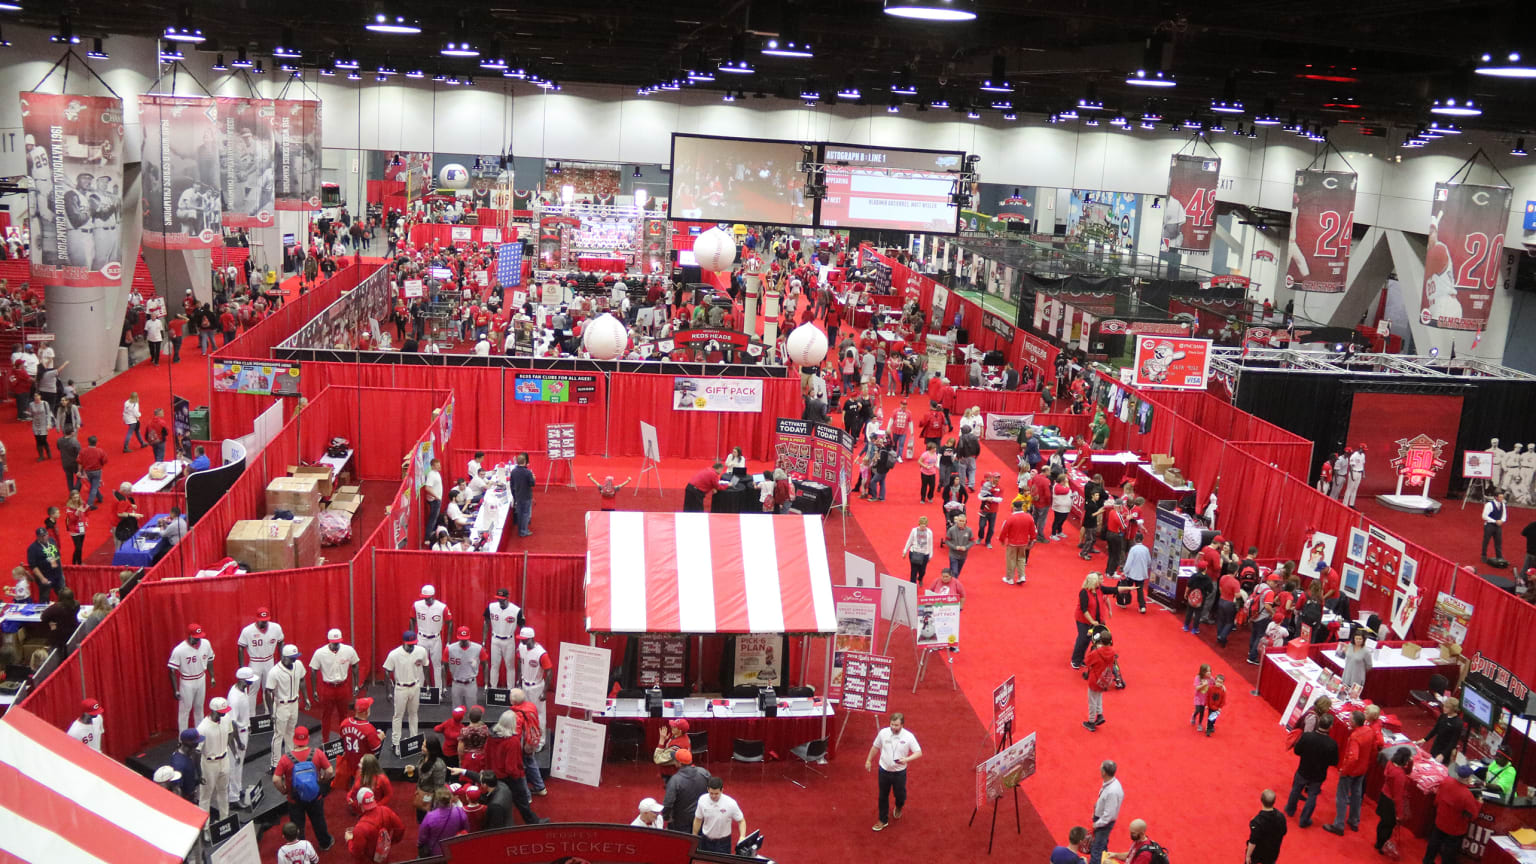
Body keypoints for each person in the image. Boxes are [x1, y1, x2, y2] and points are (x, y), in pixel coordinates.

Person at [274, 726, 335, 851]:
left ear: (294, 739)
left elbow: (276, 779)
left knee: (297, 826)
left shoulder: (286, 759)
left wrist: (284, 790)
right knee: (319, 821)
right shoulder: (317, 753)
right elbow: (330, 771)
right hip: (315, 796)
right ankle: (325, 843)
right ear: (308, 738)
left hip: (294, 798)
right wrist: (322, 781)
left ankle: (300, 849)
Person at [866, 712, 922, 832]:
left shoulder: (909, 736)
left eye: (896, 725)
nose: (894, 727)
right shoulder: (883, 733)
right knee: (882, 796)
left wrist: (906, 759)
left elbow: (919, 752)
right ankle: (882, 820)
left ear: (902, 725)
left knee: (900, 795)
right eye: (892, 724)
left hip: (899, 773)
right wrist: (869, 760)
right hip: (883, 770)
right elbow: (875, 747)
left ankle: (899, 806)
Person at [1284, 711, 1338, 827]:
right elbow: (1334, 762)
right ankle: (1304, 820)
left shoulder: (1307, 736)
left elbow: (1297, 750)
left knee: (1296, 790)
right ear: (1331, 727)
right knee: (1312, 796)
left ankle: (1290, 810)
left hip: (1303, 769)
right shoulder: (1332, 744)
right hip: (1318, 774)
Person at [310, 628, 362, 744]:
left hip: (342, 686)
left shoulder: (348, 650)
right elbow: (313, 670)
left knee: (344, 714)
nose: (336, 645)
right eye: (334, 643)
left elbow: (355, 665)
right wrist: (314, 690)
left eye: (338, 642)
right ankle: (325, 741)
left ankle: (344, 739)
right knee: (326, 715)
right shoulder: (320, 653)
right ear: (329, 641)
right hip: (327, 687)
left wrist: (356, 684)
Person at [1425, 765, 1482, 864]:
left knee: (1434, 842)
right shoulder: (1467, 795)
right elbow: (1473, 815)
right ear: (1468, 778)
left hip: (1440, 820)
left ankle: (1427, 860)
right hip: (1455, 829)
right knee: (1449, 852)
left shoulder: (1446, 781)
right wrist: (1479, 803)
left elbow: (1438, 798)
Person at [383, 630, 428, 754]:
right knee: (398, 715)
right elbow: (387, 671)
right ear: (404, 642)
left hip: (415, 685)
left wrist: (428, 684)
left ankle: (414, 739)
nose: (412, 646)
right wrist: (388, 691)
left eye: (413, 643)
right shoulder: (394, 654)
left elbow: (425, 665)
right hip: (401, 687)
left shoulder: (421, 651)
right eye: (409, 644)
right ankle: (396, 743)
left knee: (414, 713)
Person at [168, 623, 215, 734]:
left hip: (201, 678)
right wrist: (175, 689)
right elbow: (171, 670)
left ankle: (199, 734)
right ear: (189, 636)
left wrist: (212, 676)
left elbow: (210, 659)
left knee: (199, 708)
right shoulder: (179, 650)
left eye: (199, 637)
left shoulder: (206, 643)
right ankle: (182, 739)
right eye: (195, 638)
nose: (198, 640)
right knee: (184, 711)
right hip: (187, 681)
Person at [266, 645, 307, 768]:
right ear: (284, 657)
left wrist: (306, 698)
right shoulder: (274, 671)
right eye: (292, 658)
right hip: (281, 705)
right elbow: (268, 691)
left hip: (294, 703)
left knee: (291, 732)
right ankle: (275, 764)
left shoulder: (298, 665)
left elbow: (302, 680)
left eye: (295, 657)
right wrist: (270, 712)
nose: (294, 660)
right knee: (279, 734)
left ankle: (291, 759)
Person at [237, 608, 284, 712]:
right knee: (253, 690)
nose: (264, 622)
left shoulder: (275, 627)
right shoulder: (248, 630)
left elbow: (281, 642)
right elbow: (241, 647)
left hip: (269, 661)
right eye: (262, 620)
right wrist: (242, 668)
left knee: (269, 688)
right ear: (257, 619)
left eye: (266, 620)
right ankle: (251, 717)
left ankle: (269, 714)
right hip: (255, 662)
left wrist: (281, 660)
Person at [196, 698, 236, 818]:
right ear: (213, 711)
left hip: (224, 759)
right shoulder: (202, 728)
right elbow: (197, 752)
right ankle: (205, 828)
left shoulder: (226, 718)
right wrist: (199, 773)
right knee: (205, 796)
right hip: (209, 763)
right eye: (221, 712)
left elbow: (230, 733)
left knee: (223, 791)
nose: (224, 714)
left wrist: (234, 752)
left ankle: (225, 819)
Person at [224, 667, 257, 808]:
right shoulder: (234, 698)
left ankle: (237, 789)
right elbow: (232, 724)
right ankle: (233, 798)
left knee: (239, 765)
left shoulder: (241, 690)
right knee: (234, 765)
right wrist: (238, 742)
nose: (250, 684)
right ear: (242, 680)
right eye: (248, 681)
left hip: (244, 730)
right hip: (238, 734)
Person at [337, 697, 383, 794]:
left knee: (354, 785)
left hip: (350, 761)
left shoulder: (345, 723)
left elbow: (342, 740)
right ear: (366, 712)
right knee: (366, 790)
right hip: (364, 766)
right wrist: (380, 737)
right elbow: (376, 748)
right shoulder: (368, 729)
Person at [694, 776, 746, 854]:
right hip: (705, 841)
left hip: (723, 843)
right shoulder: (702, 800)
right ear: (708, 789)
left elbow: (741, 821)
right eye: (711, 793)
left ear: (722, 790)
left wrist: (742, 836)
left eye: (716, 793)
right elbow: (698, 819)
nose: (713, 796)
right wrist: (694, 836)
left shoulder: (730, 803)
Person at [662, 749, 711, 833]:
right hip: (701, 816)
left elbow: (668, 803)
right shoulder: (704, 773)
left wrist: (666, 817)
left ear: (679, 763)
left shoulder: (675, 780)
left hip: (681, 821)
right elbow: (712, 792)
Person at [1375, 747, 1412, 853]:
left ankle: (1379, 843)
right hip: (1390, 802)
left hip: (1384, 796)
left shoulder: (1390, 764)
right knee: (1388, 826)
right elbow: (1398, 797)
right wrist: (1399, 814)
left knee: (1383, 822)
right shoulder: (1399, 775)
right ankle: (1382, 845)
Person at [1088, 760, 1124, 864]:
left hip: (1103, 824)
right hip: (1101, 820)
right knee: (1102, 845)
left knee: (1096, 850)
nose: (1099, 769)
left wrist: (1096, 824)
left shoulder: (1112, 791)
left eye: (1101, 768)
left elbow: (1108, 816)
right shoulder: (1111, 783)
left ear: (1104, 772)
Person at [417, 787, 469, 857]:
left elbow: (422, 836)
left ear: (436, 801)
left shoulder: (430, 816)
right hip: (454, 848)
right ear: (450, 799)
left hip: (436, 852)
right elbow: (466, 829)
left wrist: (420, 844)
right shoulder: (459, 811)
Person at [1416, 695, 1466, 765]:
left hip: (1445, 749)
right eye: (1444, 706)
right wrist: (1425, 739)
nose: (1444, 708)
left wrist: (1443, 754)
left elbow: (1453, 742)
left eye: (1447, 707)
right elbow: (1436, 729)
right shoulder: (1443, 716)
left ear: (1453, 709)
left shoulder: (1458, 723)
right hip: (1436, 745)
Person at [1083, 630, 1116, 731]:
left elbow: (1087, 662)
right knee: (1099, 696)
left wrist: (1093, 648)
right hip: (1104, 679)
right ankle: (1100, 714)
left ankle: (1091, 721)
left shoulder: (1096, 652)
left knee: (1092, 700)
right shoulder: (1112, 651)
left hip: (1095, 678)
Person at [998, 499, 1036, 585]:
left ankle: (1010, 578)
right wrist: (1032, 540)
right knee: (1021, 559)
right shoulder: (1029, 517)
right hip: (1023, 543)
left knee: (1011, 560)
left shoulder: (1010, 518)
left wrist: (1002, 540)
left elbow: (1004, 530)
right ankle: (1021, 576)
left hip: (1012, 543)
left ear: (1014, 508)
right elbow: (1033, 530)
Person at [1071, 573, 1105, 669]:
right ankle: (1075, 660)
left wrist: (1127, 588)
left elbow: (1112, 590)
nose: (1099, 582)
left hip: (1092, 621)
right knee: (1082, 639)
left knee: (1087, 640)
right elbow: (1084, 610)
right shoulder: (1084, 592)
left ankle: (1081, 659)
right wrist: (1092, 621)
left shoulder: (1098, 590)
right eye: (1097, 580)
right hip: (1082, 620)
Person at [1246, 789, 1288, 864]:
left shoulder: (1257, 822)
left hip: (1258, 851)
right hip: (1273, 851)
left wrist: (1248, 856)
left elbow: (1253, 842)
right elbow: (1284, 832)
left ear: (1261, 800)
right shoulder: (1281, 816)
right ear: (1274, 801)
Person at [25, 527, 63, 603]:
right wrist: (42, 578)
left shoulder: (52, 541)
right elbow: (33, 566)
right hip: (45, 576)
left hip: (58, 575)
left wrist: (60, 570)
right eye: (41, 536)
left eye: (45, 535)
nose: (44, 537)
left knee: (63, 595)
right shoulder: (32, 548)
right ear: (37, 537)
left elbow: (57, 554)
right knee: (44, 598)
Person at [1122, 535, 1150, 613]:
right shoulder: (1146, 549)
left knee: (1127, 588)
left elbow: (1129, 562)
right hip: (1141, 573)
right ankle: (1142, 606)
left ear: (1135, 539)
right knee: (1140, 590)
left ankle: (1124, 602)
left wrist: (1125, 571)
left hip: (1132, 573)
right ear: (1142, 539)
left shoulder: (1133, 549)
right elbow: (1149, 561)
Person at [510, 453, 536, 536]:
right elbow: (532, 484)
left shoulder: (513, 471)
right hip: (526, 495)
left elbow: (511, 484)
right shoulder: (527, 472)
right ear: (525, 462)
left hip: (518, 495)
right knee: (525, 514)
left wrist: (514, 495)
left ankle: (520, 530)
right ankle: (523, 531)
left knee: (520, 513)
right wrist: (533, 478)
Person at [1483, 489, 1508, 562]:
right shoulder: (1489, 505)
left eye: (1502, 497)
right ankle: (1484, 555)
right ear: (1496, 497)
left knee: (1498, 542)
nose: (1502, 499)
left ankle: (1499, 556)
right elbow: (1484, 516)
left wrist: (1502, 521)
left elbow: (1504, 515)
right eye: (1500, 497)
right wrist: (1495, 521)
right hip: (1489, 525)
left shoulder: (1503, 505)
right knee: (1486, 541)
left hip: (1498, 526)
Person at [422, 458, 444, 537]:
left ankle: (432, 533)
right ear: (432, 466)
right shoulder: (431, 475)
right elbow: (427, 488)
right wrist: (436, 496)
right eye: (437, 465)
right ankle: (427, 537)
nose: (439, 466)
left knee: (435, 518)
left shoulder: (436, 473)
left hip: (437, 499)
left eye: (439, 465)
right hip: (435, 500)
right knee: (432, 519)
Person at [1191, 664, 1213, 729]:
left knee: (1202, 711)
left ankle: (1200, 724)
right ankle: (1194, 716)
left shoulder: (1211, 679)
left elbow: (1215, 684)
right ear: (1203, 672)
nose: (1209, 673)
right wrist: (1203, 685)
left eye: (1210, 671)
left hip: (1205, 699)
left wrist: (1222, 686)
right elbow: (1197, 688)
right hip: (1198, 698)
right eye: (1207, 671)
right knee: (1197, 710)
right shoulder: (1198, 677)